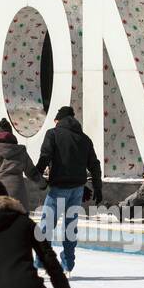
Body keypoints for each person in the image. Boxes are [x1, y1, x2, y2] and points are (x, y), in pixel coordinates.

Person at [36, 106, 104, 274]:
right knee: (70, 227)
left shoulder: (53, 134)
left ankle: (42, 263)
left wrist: (37, 177)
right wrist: (97, 187)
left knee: (46, 226)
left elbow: (45, 156)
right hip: (77, 190)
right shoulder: (84, 138)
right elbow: (94, 164)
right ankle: (68, 265)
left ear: (59, 120)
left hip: (59, 188)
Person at [0, 117, 45, 209]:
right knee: (17, 222)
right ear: (11, 134)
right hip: (18, 197)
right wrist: (43, 184)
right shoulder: (21, 151)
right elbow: (32, 172)